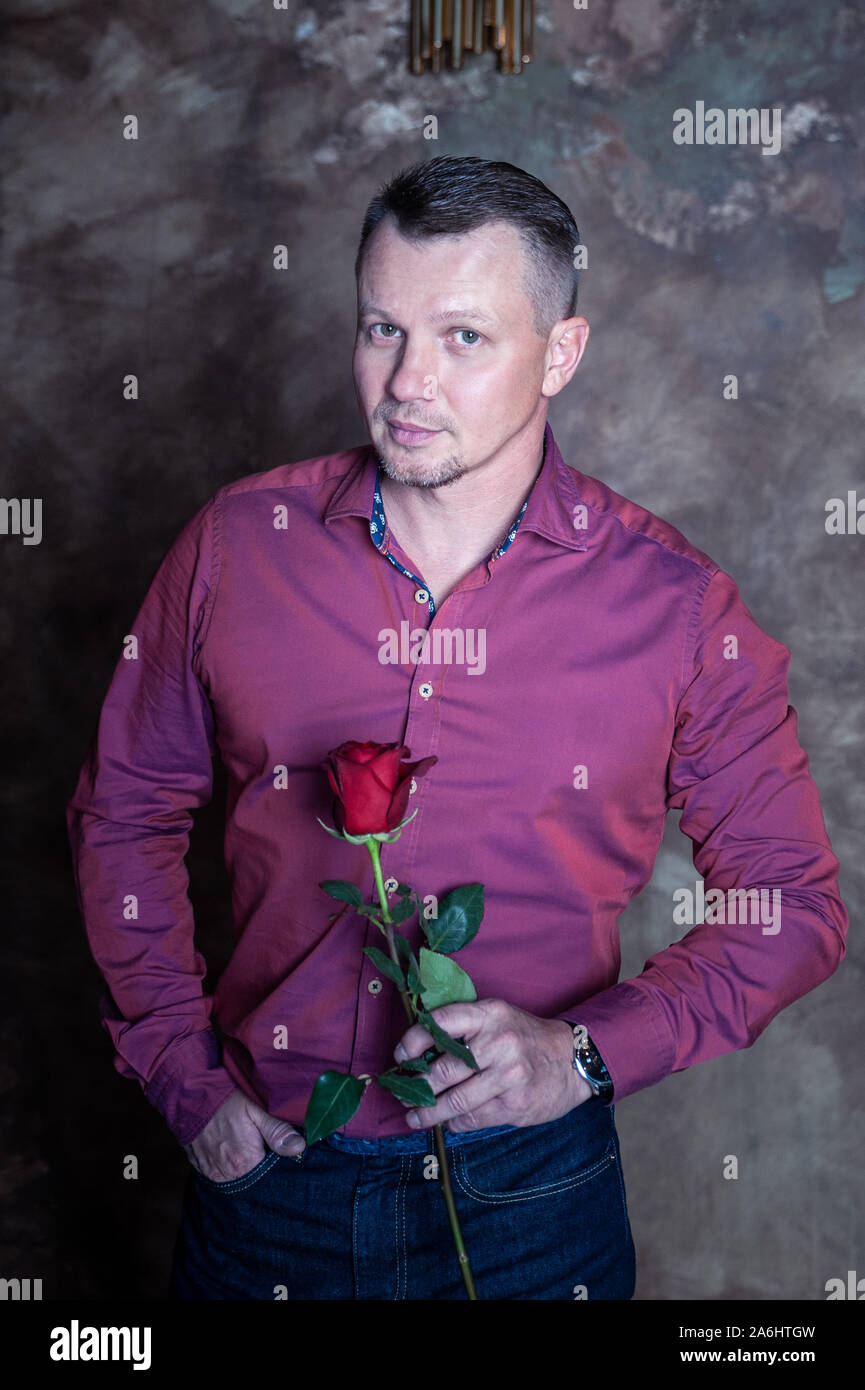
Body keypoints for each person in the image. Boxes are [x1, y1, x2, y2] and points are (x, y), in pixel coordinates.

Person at [65, 155, 848, 1301]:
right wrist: (186, 1081)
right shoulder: (236, 548)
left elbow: (789, 906)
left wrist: (584, 1053)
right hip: (270, 1183)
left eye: (463, 338)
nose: (406, 381)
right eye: (382, 328)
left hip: (532, 1201)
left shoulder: (677, 609)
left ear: (561, 353)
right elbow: (122, 815)